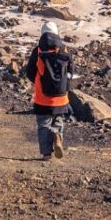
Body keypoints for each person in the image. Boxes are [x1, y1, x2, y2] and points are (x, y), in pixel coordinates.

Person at [24, 22, 72, 160]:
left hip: (42, 97)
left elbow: (29, 72)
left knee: (43, 124)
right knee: (58, 119)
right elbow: (71, 71)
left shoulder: (38, 51)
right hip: (61, 96)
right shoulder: (64, 49)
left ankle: (46, 154)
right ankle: (57, 136)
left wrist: (40, 82)